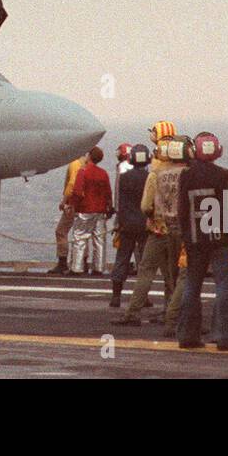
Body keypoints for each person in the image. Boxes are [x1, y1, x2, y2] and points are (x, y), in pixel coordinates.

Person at [112, 122, 185, 326]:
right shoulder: (186, 173)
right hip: (178, 230)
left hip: (157, 229)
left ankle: (132, 314)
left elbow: (145, 206)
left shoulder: (154, 174)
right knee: (173, 275)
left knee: (146, 272)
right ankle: (171, 314)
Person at [173, 131, 228, 349]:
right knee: (223, 288)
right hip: (220, 239)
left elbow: (182, 209)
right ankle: (225, 337)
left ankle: (188, 336)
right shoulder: (225, 175)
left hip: (194, 239)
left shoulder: (186, 175)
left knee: (192, 286)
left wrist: (185, 237)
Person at [109, 144, 149, 306]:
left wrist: (119, 222)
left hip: (126, 225)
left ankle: (116, 296)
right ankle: (143, 297)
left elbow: (121, 203)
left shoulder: (124, 178)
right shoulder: (150, 178)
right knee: (144, 263)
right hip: (145, 225)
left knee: (122, 259)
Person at [68, 147, 111, 275]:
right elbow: (108, 193)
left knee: (79, 238)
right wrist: (109, 207)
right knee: (99, 240)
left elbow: (77, 192)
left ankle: (77, 267)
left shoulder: (83, 171)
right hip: (100, 211)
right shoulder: (103, 173)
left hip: (85, 210)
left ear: (89, 156)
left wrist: (72, 206)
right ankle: (99, 267)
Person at [49, 154, 87, 275]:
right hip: (84, 205)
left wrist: (64, 201)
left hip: (72, 203)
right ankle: (83, 262)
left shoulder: (75, 163)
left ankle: (62, 262)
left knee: (61, 231)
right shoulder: (86, 164)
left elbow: (71, 185)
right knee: (82, 233)